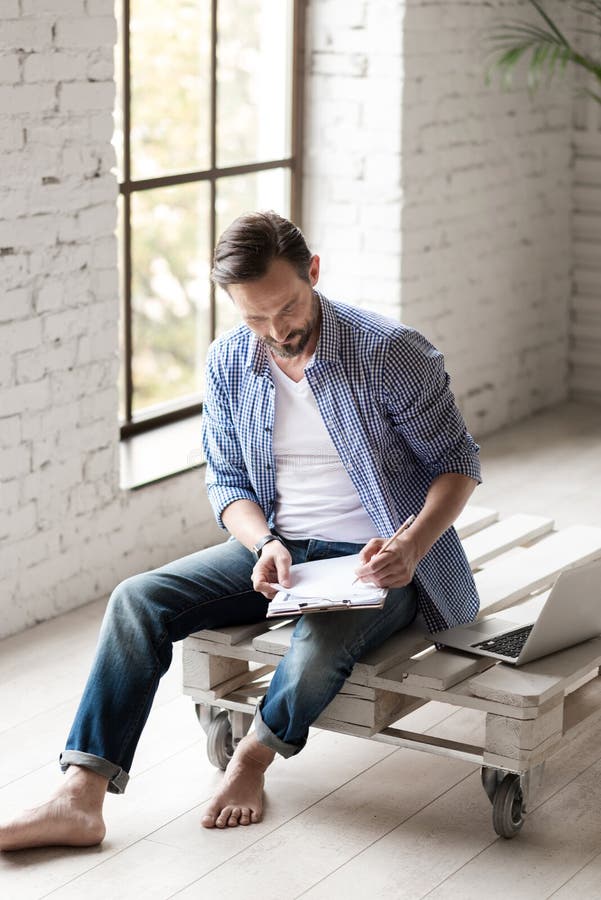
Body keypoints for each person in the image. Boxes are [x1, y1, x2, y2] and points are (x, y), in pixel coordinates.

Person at [0, 211, 481, 851]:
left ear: (313, 272)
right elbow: (228, 483)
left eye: (285, 308)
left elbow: (458, 464)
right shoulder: (230, 360)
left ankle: (251, 760)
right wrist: (264, 544)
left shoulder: (389, 352)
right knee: (136, 599)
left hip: (378, 559)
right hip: (283, 548)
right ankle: (79, 796)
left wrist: (411, 545)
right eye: (254, 317)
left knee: (317, 642)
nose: (275, 330)